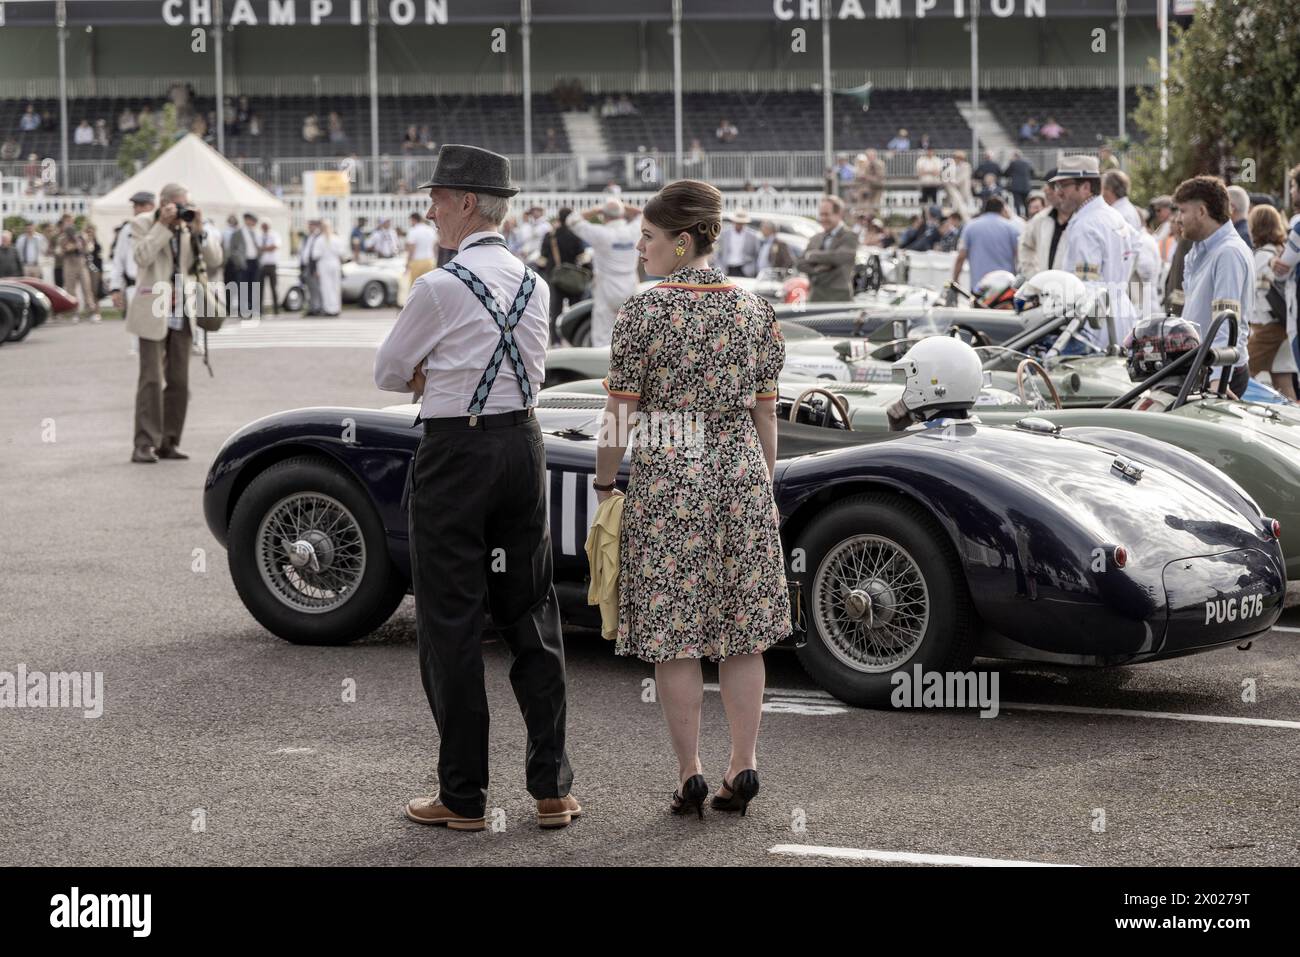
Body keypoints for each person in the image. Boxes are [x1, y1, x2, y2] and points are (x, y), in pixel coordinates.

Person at [373, 144, 576, 833]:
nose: (430, 209)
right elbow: (535, 371)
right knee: (531, 611)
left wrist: (436, 374)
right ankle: (552, 787)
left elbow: (389, 371)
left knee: (451, 621)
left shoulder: (439, 285)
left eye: (436, 198)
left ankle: (463, 795)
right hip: (522, 444)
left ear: (464, 202)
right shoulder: (535, 282)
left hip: (456, 451)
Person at [593, 178, 790, 819]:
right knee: (744, 634)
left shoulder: (644, 312)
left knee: (674, 637)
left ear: (681, 244)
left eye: (647, 239)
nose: (640, 250)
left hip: (670, 476)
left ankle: (690, 775)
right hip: (740, 476)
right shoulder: (755, 311)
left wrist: (604, 485)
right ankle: (744, 764)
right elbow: (766, 413)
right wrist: (765, 480)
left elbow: (619, 416)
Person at [126, 181, 223, 463]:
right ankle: (144, 443)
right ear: (163, 202)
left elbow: (215, 261)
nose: (183, 210)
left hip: (183, 311)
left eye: (186, 205)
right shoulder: (143, 223)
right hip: (152, 308)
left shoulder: (189, 226)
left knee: (179, 381)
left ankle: (169, 441)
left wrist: (200, 230)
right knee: (152, 379)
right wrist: (163, 226)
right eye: (178, 205)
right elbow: (141, 256)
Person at [1173, 175, 1253, 396]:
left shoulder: (1228, 253)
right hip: (1205, 365)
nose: (1178, 218)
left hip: (1220, 371)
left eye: (1182, 211)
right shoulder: (1200, 250)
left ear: (1201, 211)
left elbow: (1226, 321)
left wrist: (1218, 381)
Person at [1051, 156, 1137, 349]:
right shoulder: (1112, 215)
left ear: (1085, 187)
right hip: (1119, 312)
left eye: (1063, 186)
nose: (1059, 193)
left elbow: (1086, 289)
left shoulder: (1087, 225)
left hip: (1096, 321)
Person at [566, 198, 642, 347]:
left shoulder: (600, 233)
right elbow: (644, 214)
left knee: (602, 338)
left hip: (606, 288)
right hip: (630, 286)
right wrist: (622, 206)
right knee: (631, 334)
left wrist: (597, 209)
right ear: (623, 215)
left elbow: (571, 221)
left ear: (604, 216)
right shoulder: (633, 231)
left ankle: (602, 369)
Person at [1245, 204, 1296, 399]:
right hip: (1284, 324)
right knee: (1283, 379)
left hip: (1267, 327)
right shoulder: (1281, 250)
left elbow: (1266, 267)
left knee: (1238, 372)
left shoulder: (1262, 255)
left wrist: (1270, 263)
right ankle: (1294, 424)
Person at [795, 194, 859, 302]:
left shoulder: (850, 236)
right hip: (815, 298)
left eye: (826, 214)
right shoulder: (816, 238)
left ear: (839, 214)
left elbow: (839, 257)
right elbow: (800, 264)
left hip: (839, 300)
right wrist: (816, 269)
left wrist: (811, 255)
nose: (823, 219)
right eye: (821, 215)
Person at [951, 196, 1022, 290]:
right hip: (1005, 287)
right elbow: (1019, 257)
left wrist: (955, 280)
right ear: (1002, 209)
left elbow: (961, 257)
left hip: (979, 286)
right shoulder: (1011, 228)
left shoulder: (970, 227)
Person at [110, 191, 157, 313]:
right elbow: (118, 260)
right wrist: (115, 288)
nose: (138, 209)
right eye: (136, 206)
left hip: (158, 286)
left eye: (142, 206)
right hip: (135, 285)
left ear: (152, 206)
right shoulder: (127, 229)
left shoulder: (160, 227)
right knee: (138, 329)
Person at [59, 223, 98, 323]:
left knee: (87, 288)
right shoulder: (62, 239)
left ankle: (92, 312)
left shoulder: (80, 237)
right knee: (70, 289)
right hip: (69, 263)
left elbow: (88, 249)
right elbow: (60, 252)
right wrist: (68, 248)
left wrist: (79, 245)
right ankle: (74, 313)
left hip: (81, 263)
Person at [403, 211, 439, 306]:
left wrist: (407, 263)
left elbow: (411, 249)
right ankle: (429, 304)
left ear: (413, 220)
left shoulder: (413, 231)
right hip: (430, 260)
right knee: (429, 285)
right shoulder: (430, 230)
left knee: (415, 286)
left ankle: (416, 305)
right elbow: (435, 247)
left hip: (417, 261)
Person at [718, 210, 760, 277]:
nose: (739, 224)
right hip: (726, 268)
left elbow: (756, 254)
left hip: (745, 269)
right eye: (737, 222)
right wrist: (719, 267)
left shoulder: (752, 236)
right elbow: (718, 253)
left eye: (741, 223)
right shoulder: (724, 234)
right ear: (733, 221)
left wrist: (753, 269)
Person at [299, 219, 324, 315]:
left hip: (313, 266)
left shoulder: (319, 237)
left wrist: (316, 268)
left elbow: (317, 254)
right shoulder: (307, 237)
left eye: (312, 225)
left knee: (316, 288)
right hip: (306, 265)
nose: (310, 227)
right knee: (309, 288)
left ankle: (317, 307)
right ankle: (312, 307)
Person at [256, 219, 280, 316]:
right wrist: (266, 248)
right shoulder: (259, 236)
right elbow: (258, 248)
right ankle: (260, 310)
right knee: (260, 288)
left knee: (273, 287)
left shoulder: (274, 235)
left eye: (266, 225)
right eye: (263, 225)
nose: (265, 227)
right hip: (262, 265)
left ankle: (276, 309)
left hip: (271, 265)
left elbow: (275, 246)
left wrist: (264, 248)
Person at [1002, 151, 1035, 217]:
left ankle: (1019, 216)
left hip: (1016, 186)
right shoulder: (1027, 163)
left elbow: (1006, 173)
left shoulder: (1013, 163)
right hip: (1026, 186)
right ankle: (1027, 216)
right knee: (1026, 203)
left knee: (1017, 203)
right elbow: (1032, 172)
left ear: (1015, 156)